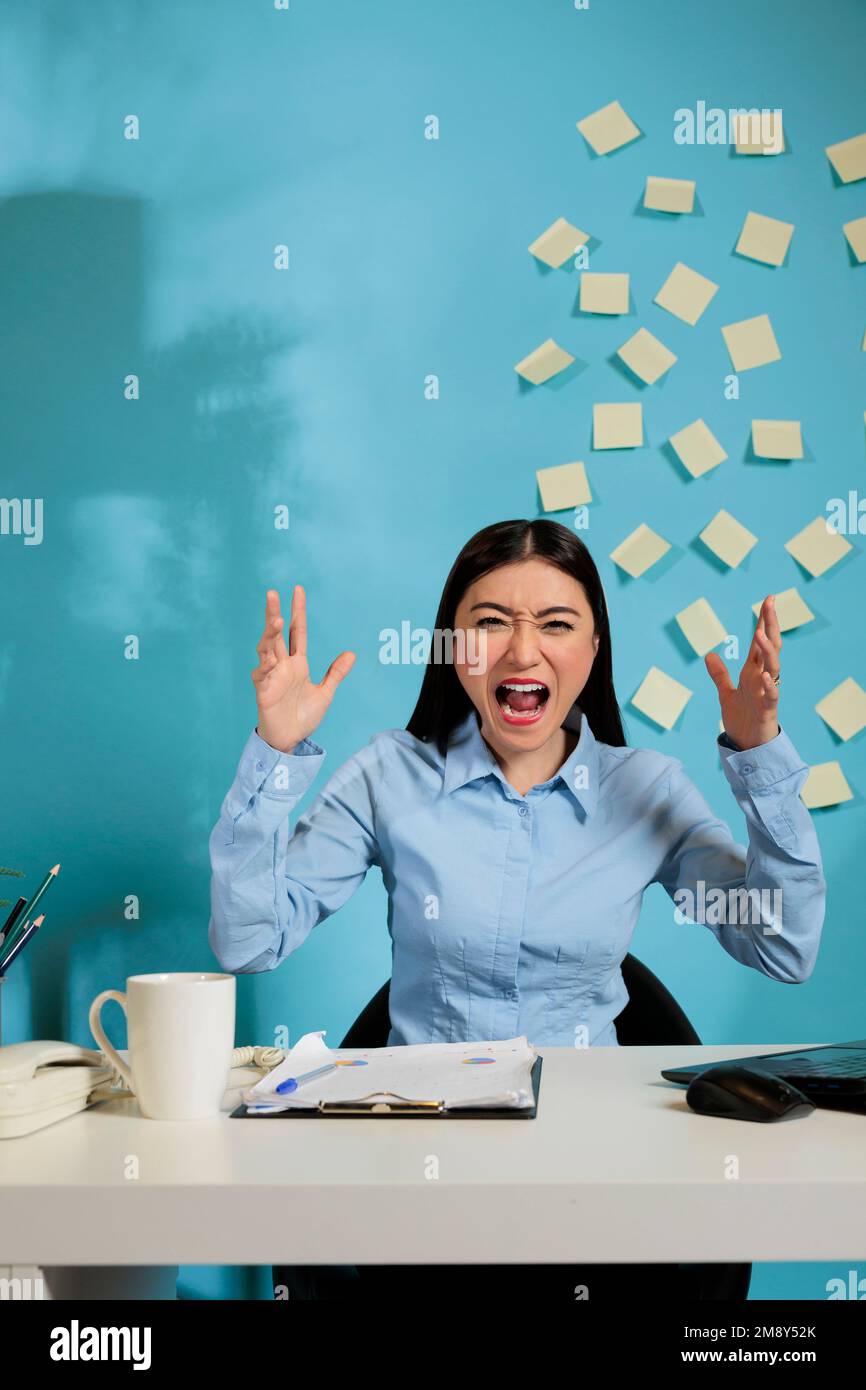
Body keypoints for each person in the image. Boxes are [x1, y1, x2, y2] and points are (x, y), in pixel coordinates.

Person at [208, 519, 826, 1301]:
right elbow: (248, 941)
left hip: (597, 1178)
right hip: (417, 1178)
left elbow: (783, 946)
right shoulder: (388, 777)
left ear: (593, 650)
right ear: (450, 647)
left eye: (556, 624)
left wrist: (760, 756)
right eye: (489, 623)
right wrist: (276, 754)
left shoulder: (644, 789)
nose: (521, 652)